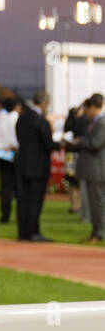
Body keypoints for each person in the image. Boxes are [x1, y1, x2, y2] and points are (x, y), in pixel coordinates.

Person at [14, 90, 54, 242]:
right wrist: (61, 144)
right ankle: (33, 232)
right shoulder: (41, 121)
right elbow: (48, 144)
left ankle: (22, 232)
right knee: (35, 200)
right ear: (45, 103)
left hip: (22, 163)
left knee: (22, 199)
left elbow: (18, 136)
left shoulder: (22, 117)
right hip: (38, 166)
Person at [66, 93, 104, 243]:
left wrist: (79, 141)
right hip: (94, 170)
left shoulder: (101, 123)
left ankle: (98, 233)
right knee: (95, 204)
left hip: (96, 170)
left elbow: (95, 144)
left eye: (86, 110)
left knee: (97, 204)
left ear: (93, 108)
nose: (85, 114)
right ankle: (96, 233)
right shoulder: (97, 122)